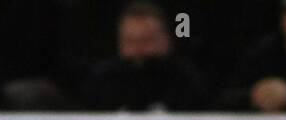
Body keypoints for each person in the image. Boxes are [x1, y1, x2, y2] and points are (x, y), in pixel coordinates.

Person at [79, 1, 208, 113]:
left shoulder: (187, 81)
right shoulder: (101, 82)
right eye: (130, 41)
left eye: (146, 40)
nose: (138, 48)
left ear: (166, 40)